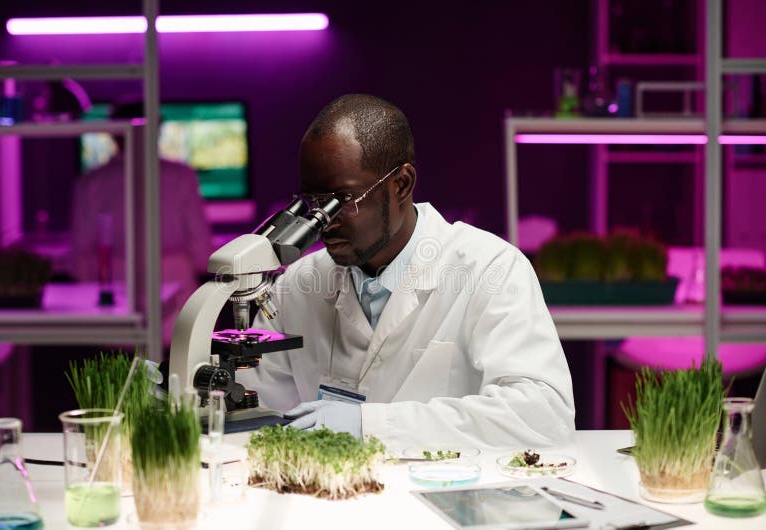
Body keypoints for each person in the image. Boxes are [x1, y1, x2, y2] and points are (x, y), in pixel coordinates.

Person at [236, 94, 575, 450]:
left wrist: (374, 426)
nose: (324, 222)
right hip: (329, 498)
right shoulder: (298, 284)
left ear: (401, 184)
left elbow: (544, 416)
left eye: (341, 201)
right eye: (314, 203)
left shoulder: (491, 269)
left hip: (446, 498)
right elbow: (258, 406)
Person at [71, 98, 213, 344]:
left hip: (115, 310)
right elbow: (202, 253)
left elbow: (80, 258)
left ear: (114, 135)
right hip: (177, 313)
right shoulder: (181, 177)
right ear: (156, 131)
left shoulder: (91, 183)